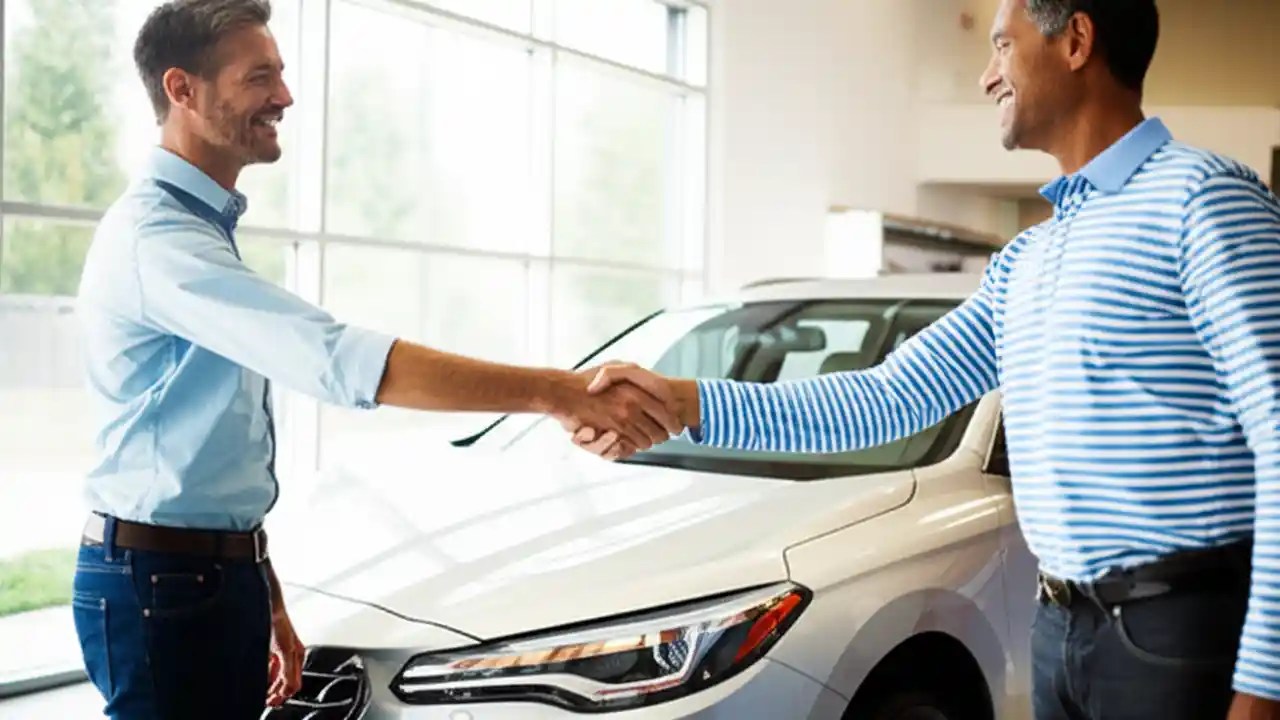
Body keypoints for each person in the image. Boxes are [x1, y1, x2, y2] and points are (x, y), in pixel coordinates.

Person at [571, 1, 1280, 718]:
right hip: (1060, 626)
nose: (986, 76)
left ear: (1077, 40)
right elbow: (888, 398)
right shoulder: (1030, 258)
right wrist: (684, 404)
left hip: (1177, 629)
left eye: (1002, 45)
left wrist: (1265, 682)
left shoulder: (1203, 200)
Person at [71, 1, 679, 718]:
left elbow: (210, 459)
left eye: (283, 74)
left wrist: (259, 588)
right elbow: (336, 358)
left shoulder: (200, 233)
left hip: (205, 572)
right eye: (259, 76)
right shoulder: (159, 240)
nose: (285, 97)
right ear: (183, 89)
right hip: (161, 584)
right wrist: (557, 392)